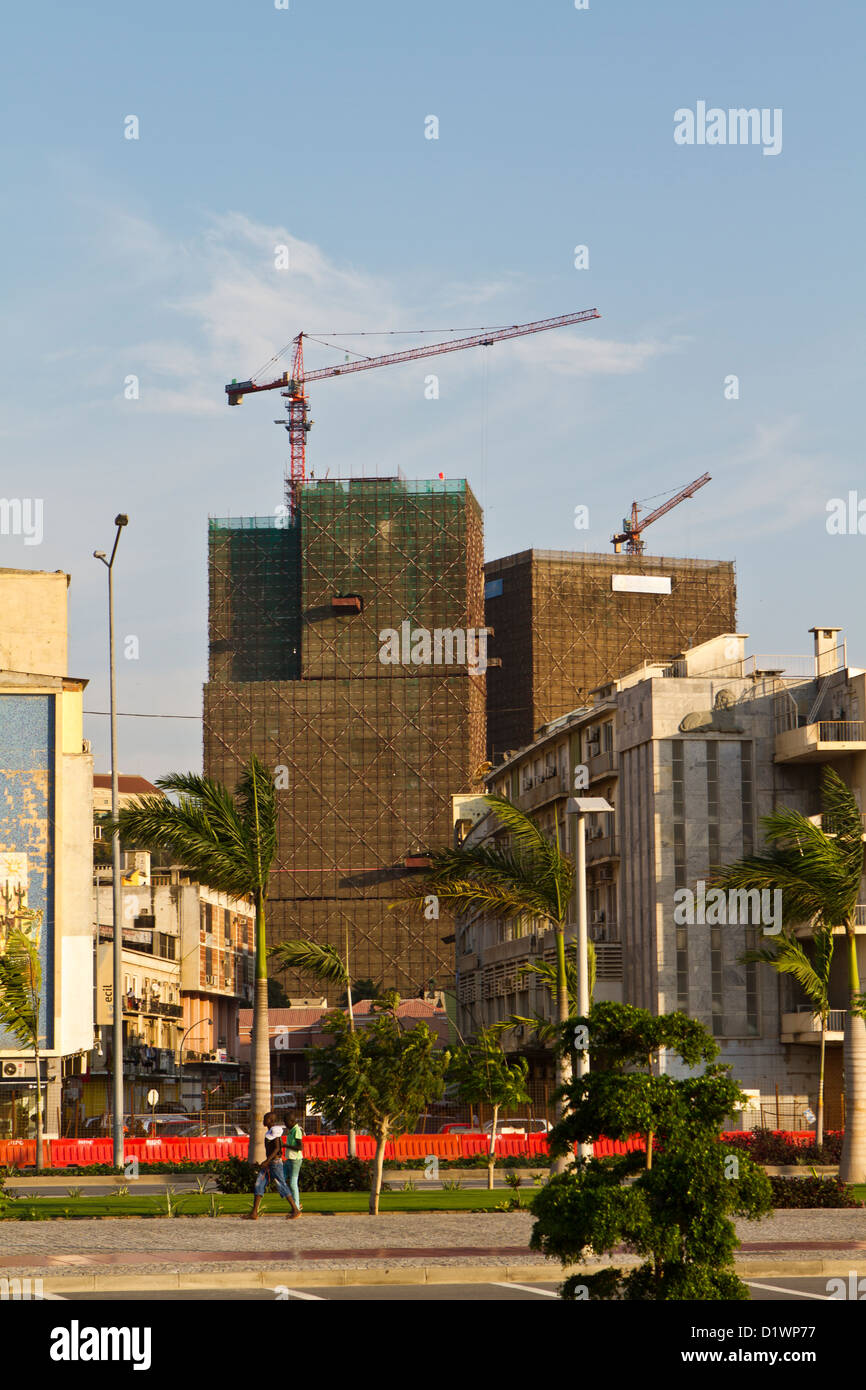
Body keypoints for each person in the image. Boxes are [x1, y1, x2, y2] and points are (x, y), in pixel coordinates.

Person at [245, 1111, 300, 1220]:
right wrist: (267, 1162)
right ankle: (254, 1213)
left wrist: (267, 1161)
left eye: (265, 1119)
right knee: (259, 1184)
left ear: (270, 1120)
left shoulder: (275, 1131)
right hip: (270, 1163)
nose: (263, 1121)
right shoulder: (270, 1131)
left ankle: (295, 1210)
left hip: (274, 1163)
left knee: (281, 1185)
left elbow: (277, 1148)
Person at [284, 1108, 304, 1216]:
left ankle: (296, 1207)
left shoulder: (297, 1130)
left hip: (295, 1160)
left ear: (292, 1122)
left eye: (286, 1123)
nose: (285, 1125)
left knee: (293, 1183)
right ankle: (296, 1202)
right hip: (289, 1159)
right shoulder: (291, 1130)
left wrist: (285, 1145)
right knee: (281, 1178)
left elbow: (300, 1147)